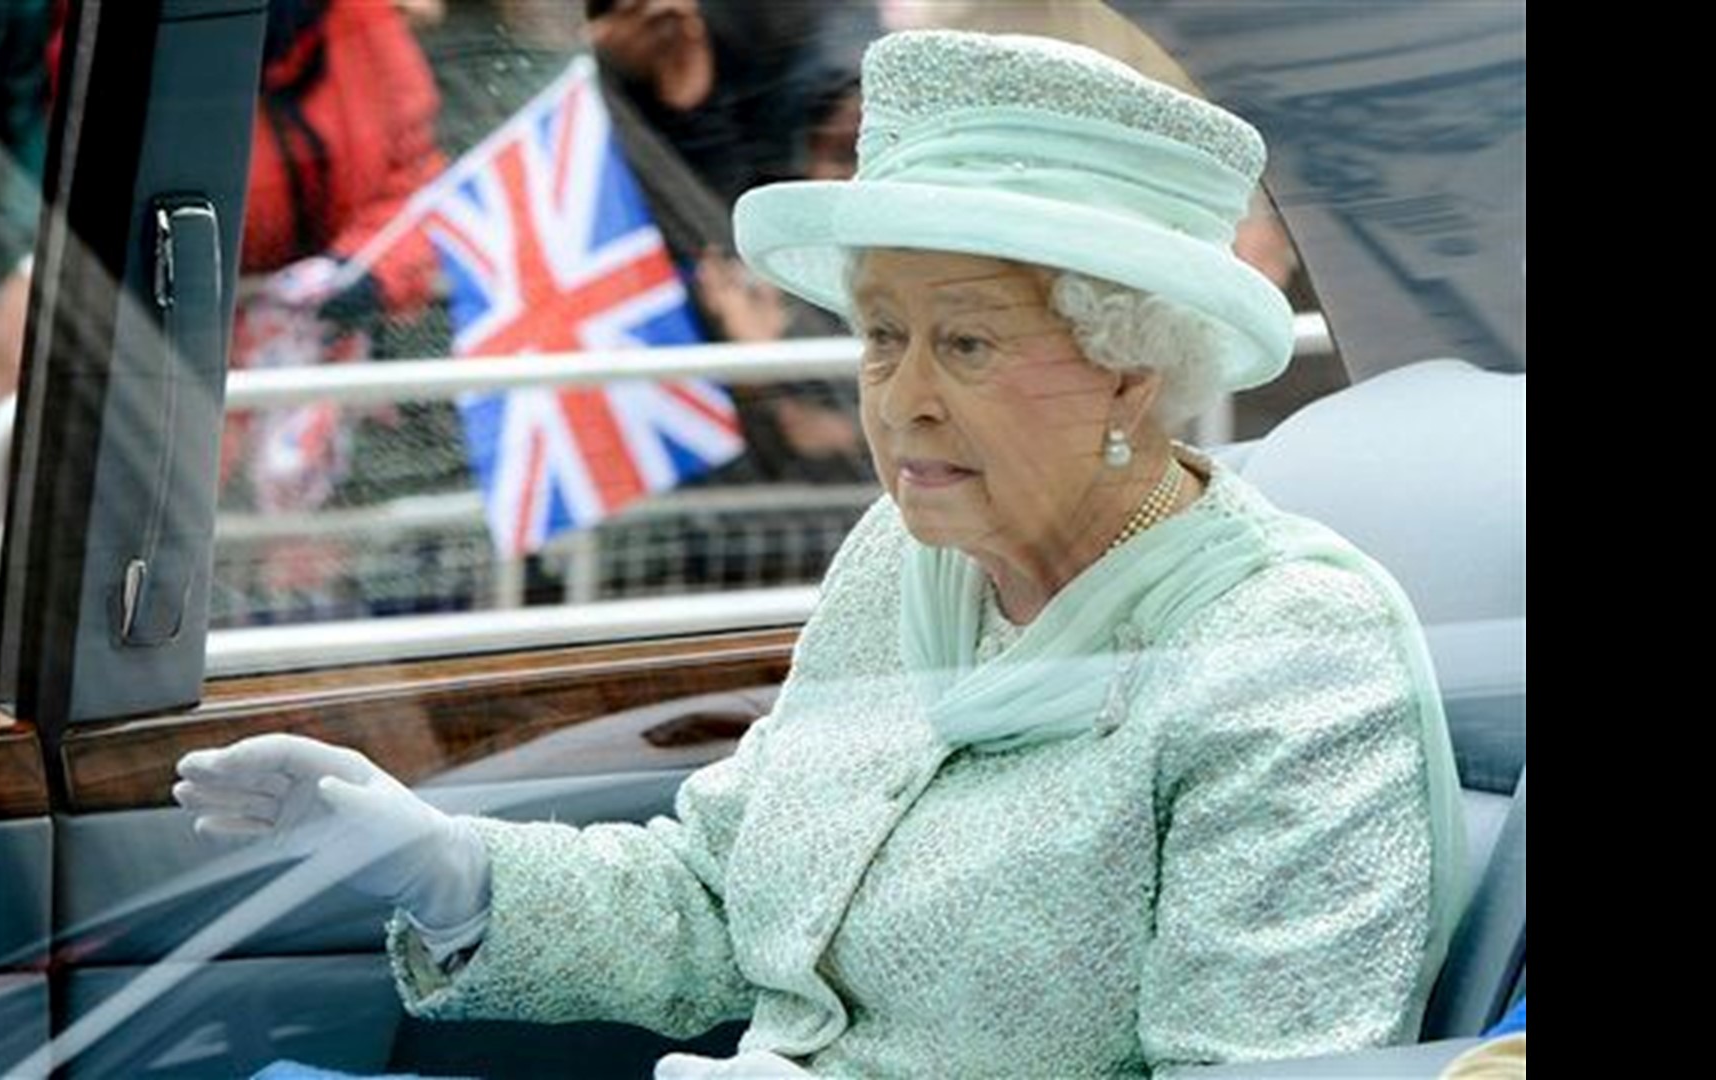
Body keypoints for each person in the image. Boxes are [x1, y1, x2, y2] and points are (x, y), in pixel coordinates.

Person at [174, 30, 1466, 1077]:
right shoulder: (904, 563)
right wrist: (453, 872)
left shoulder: (1287, 659)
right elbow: (714, 900)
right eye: (877, 336)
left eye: (961, 344)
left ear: (1130, 368)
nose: (898, 399)